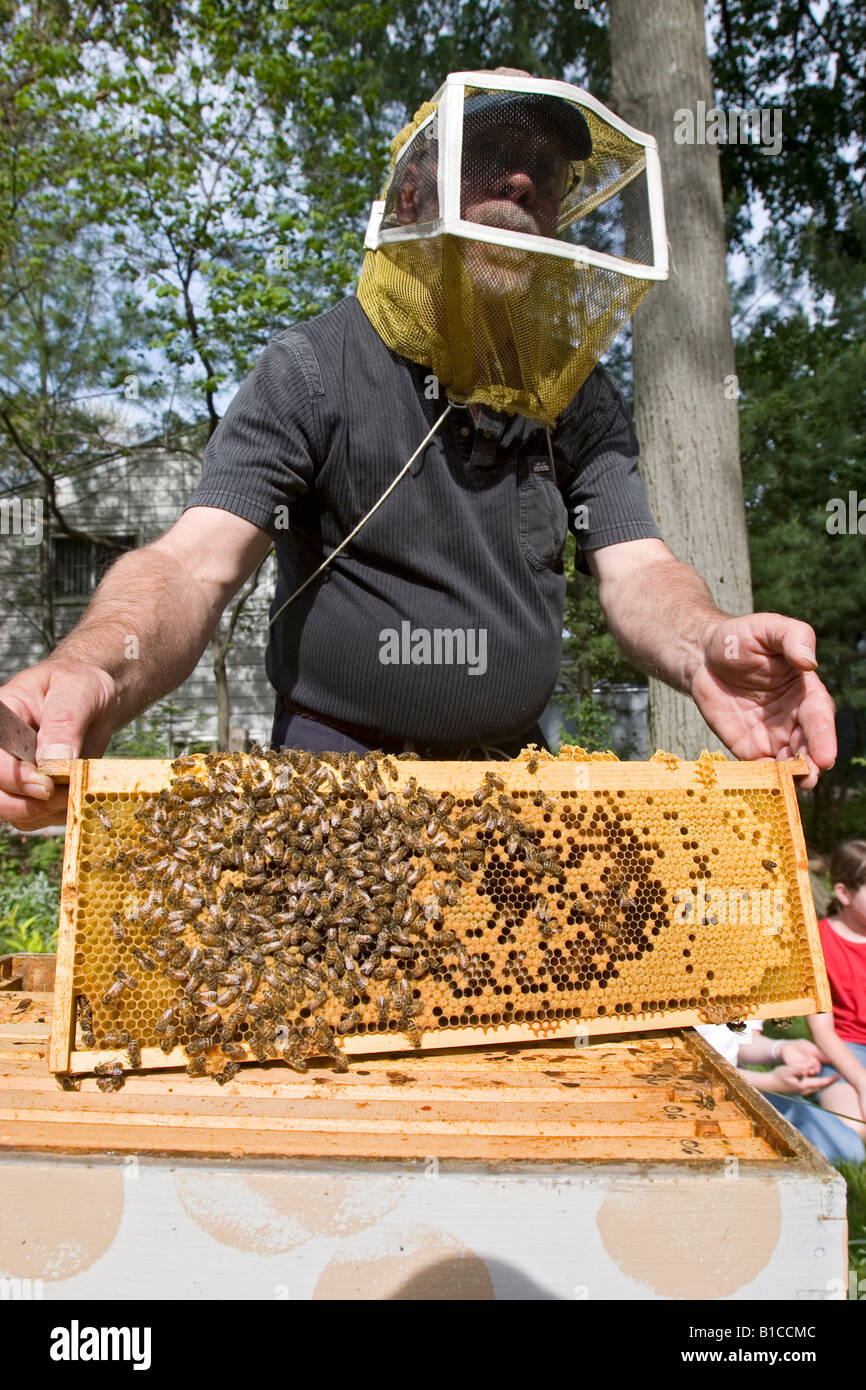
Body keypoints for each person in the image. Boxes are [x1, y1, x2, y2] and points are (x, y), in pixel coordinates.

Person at [0, 68, 837, 832]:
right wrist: (101, 667)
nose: (520, 178)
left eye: (543, 171)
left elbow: (640, 567)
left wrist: (705, 646)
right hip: (333, 793)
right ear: (412, 196)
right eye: (491, 152)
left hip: (514, 786)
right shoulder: (312, 370)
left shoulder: (575, 393)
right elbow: (192, 565)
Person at [697, 1020, 864, 1164]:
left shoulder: (744, 984)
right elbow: (694, 1075)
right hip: (697, 1094)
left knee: (848, 1149)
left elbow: (742, 1041)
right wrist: (770, 1082)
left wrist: (781, 1048)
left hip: (738, 1085)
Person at [803, 841, 866, 1148]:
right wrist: (862, 1082)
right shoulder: (818, 942)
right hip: (844, 1053)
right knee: (850, 1131)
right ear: (844, 894)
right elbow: (824, 1033)